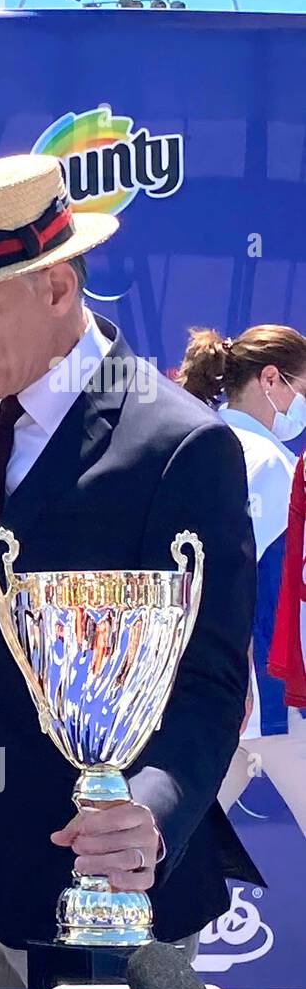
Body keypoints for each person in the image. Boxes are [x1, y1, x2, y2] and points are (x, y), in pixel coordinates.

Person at [0, 154, 263, 989]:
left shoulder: (181, 445)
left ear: (56, 289)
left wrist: (146, 815)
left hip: (108, 883)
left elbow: (212, 680)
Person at [177, 326, 306, 837]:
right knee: (175, 850)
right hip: (273, 699)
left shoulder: (201, 446)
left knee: (176, 853)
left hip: (214, 697)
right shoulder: (271, 464)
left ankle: (120, 917)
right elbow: (244, 581)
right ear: (271, 379)